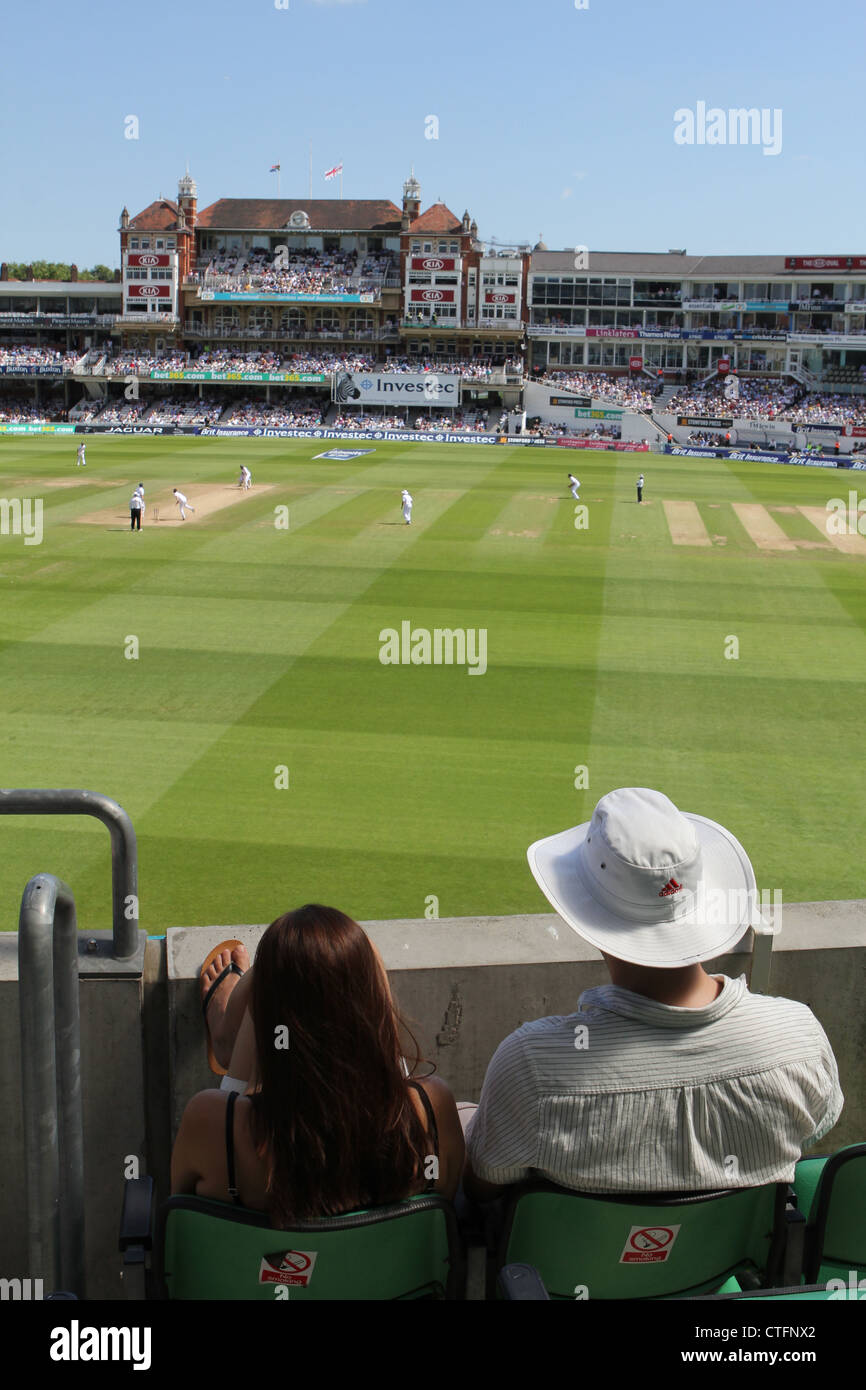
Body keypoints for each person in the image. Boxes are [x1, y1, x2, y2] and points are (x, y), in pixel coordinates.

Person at [463, 788, 843, 1202]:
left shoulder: (528, 1066)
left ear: (586, 912)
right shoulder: (799, 1037)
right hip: (733, 1265)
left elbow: (487, 1188)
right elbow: (812, 1132)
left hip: (572, 1267)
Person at [172, 906, 464, 1219]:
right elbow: (442, 1212)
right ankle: (324, 976)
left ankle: (227, 1036)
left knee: (290, 960)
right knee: (352, 954)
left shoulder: (213, 1120)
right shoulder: (432, 1105)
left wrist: (276, 968)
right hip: (386, 1266)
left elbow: (181, 1220)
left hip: (253, 1263)